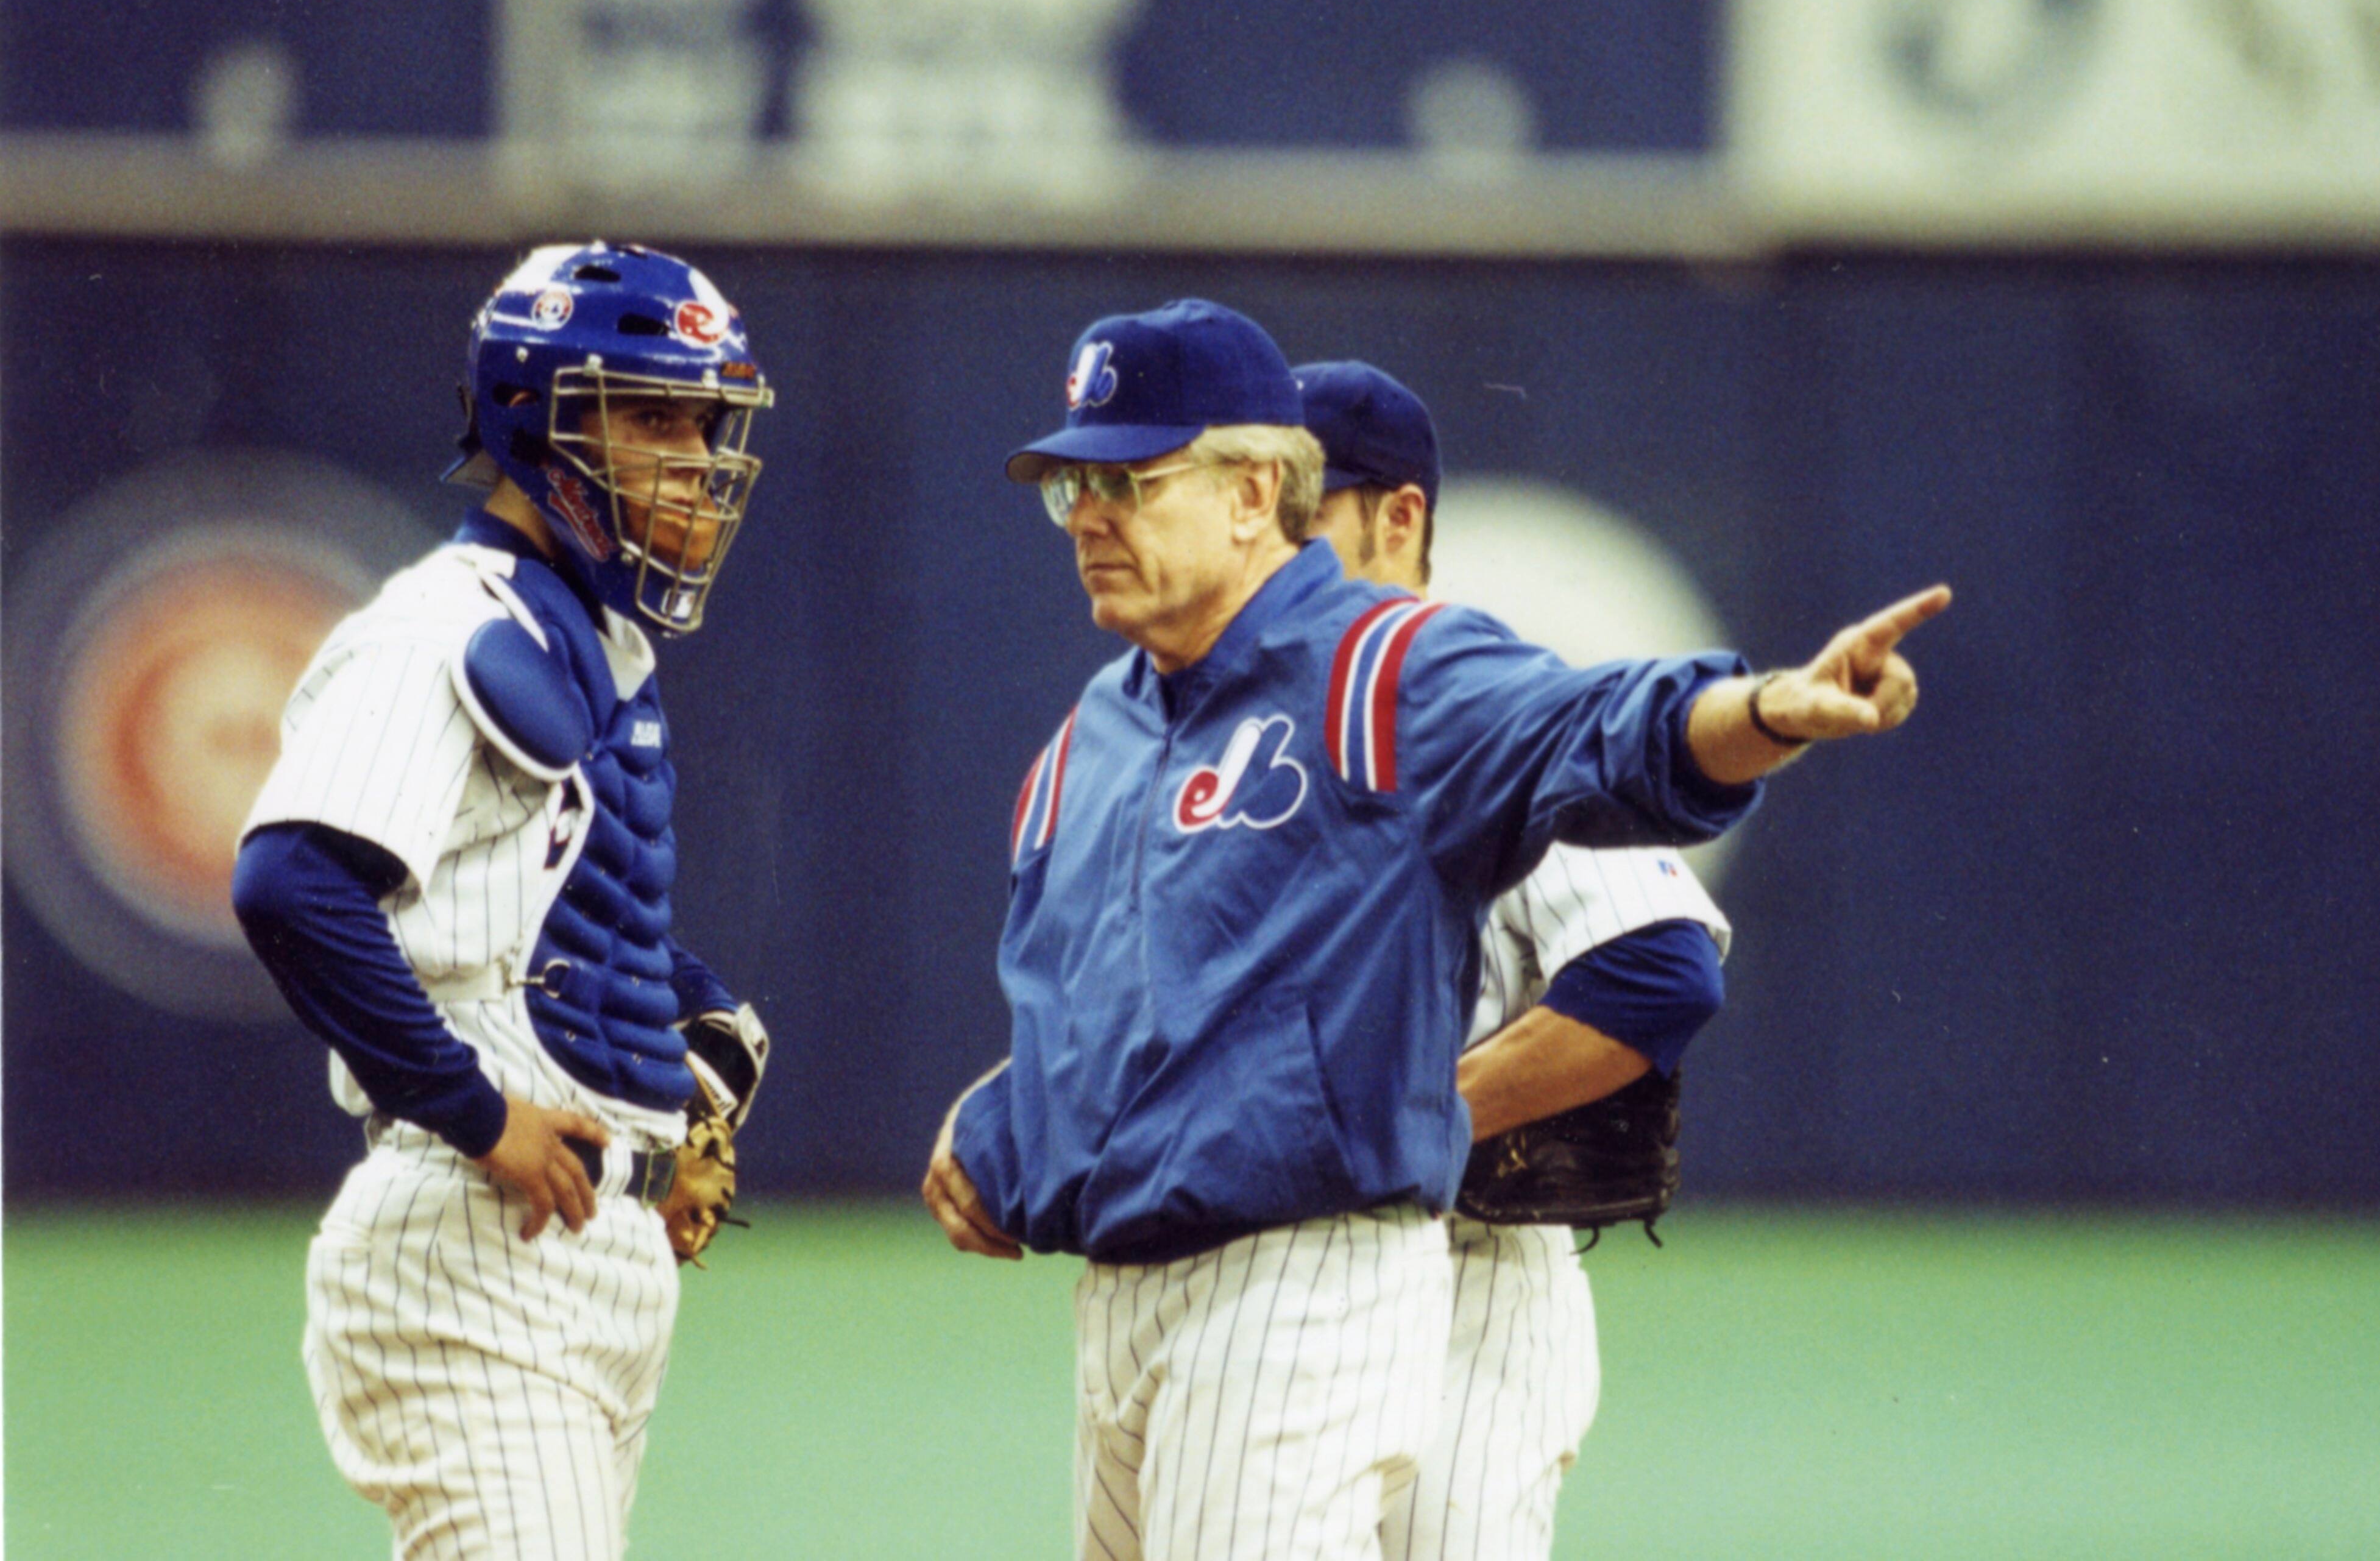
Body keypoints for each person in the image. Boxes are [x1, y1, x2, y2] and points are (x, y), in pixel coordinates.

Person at [921, 296, 1948, 1561]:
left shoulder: (1389, 671)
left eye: (1129, 481)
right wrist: (1010, 1125)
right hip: (1123, 1300)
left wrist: (1768, 710)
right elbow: (1106, 1001)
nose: (1088, 518)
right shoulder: (1097, 735)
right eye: (1071, 487)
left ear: (1254, 496)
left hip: (1304, 1283)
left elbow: (1607, 737)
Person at [230, 241, 774, 1561]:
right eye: (650, 415)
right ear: (539, 422)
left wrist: (671, 1112)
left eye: (705, 422)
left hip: (582, 1253)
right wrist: (473, 1113)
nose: (693, 455)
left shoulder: (592, 639)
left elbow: (553, 933)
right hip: (476, 1241)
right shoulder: (441, 628)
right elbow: (295, 878)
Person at [1298, 358, 1730, 1559]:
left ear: (1400, 519)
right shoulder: (1245, 736)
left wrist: (1426, 1118)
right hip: (1278, 1288)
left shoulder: (1465, 709)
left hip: (1468, 1297)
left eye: (1304, 507)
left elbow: (1658, 970)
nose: (1270, 539)